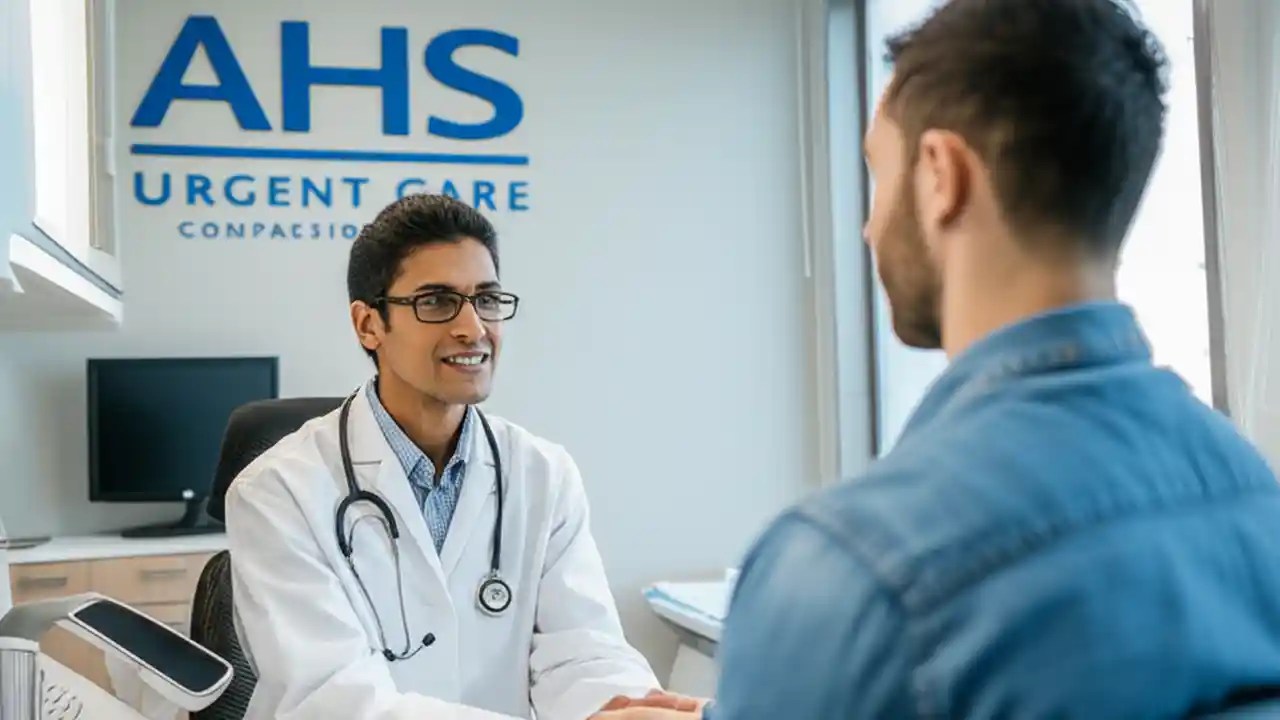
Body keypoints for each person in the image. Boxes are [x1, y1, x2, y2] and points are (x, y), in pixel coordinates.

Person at [593, 0, 1280, 718]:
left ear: (939, 174)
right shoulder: (1245, 488)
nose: (867, 226)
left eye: (877, 174)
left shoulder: (857, 568)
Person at [226, 194, 699, 719]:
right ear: (368, 324)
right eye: (435, 301)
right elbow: (334, 699)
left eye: (487, 300)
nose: (473, 328)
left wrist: (621, 707)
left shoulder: (542, 473)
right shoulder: (276, 491)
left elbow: (583, 649)